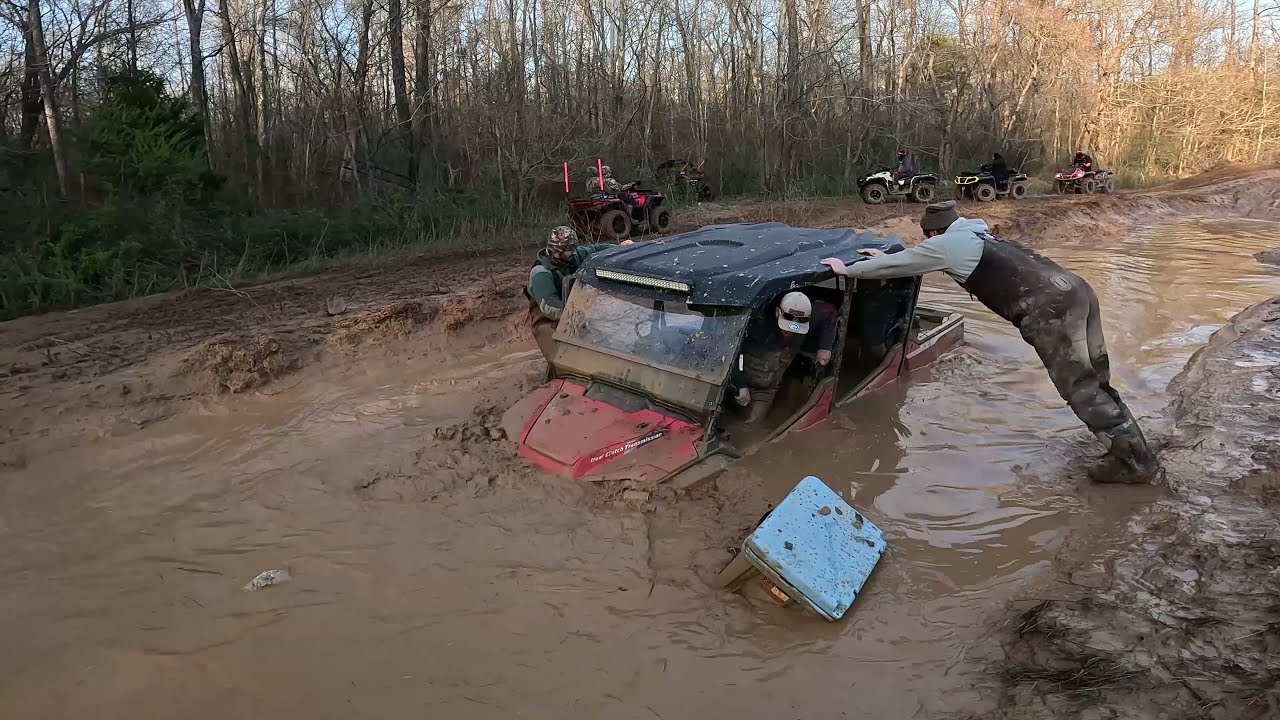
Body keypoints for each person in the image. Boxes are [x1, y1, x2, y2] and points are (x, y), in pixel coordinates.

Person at [819, 201, 1160, 483]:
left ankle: (1133, 463)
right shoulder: (976, 233)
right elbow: (914, 258)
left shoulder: (948, 245)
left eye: (928, 239)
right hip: (1076, 290)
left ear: (934, 233)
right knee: (1097, 380)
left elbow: (910, 262)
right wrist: (885, 259)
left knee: (1080, 388)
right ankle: (1133, 446)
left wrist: (847, 270)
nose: (929, 244)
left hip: (1051, 311)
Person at [729, 291, 837, 424]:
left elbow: (830, 312)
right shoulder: (756, 324)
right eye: (787, 326)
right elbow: (731, 353)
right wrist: (739, 384)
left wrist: (825, 347)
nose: (790, 332)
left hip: (765, 388)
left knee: (751, 424)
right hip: (742, 377)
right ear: (777, 313)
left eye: (797, 327)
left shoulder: (811, 316)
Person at [526, 226, 631, 361]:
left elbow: (595, 250)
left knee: (593, 343)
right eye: (570, 250)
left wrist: (620, 247)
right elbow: (550, 307)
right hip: (546, 317)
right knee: (560, 357)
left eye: (574, 248)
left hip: (571, 307)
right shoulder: (541, 273)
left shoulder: (572, 256)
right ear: (557, 251)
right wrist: (579, 316)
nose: (575, 253)